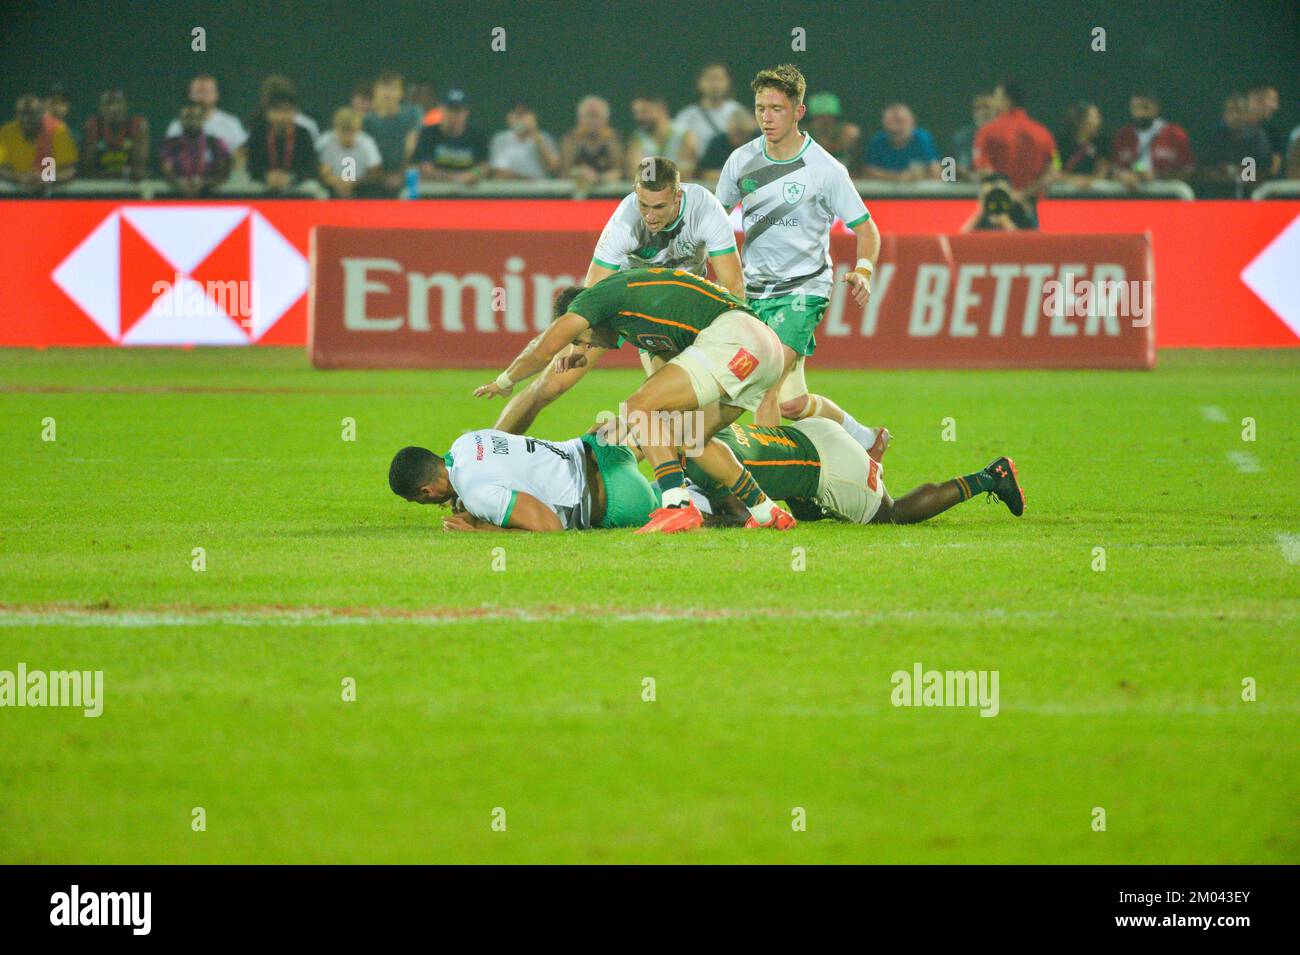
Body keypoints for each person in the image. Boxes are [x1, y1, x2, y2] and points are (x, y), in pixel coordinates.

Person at [472, 268, 796, 533]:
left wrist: (505, 381)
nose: (589, 346)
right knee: (691, 437)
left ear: (584, 315)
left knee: (635, 407)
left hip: (735, 337)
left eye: (583, 340)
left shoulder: (598, 295)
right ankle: (765, 510)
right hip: (765, 350)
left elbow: (544, 346)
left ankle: (677, 505)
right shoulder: (640, 321)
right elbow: (668, 380)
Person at [494, 158, 743, 435]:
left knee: (675, 407)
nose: (649, 216)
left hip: (676, 312)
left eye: (659, 207)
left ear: (677, 195)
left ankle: (670, 472)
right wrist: (578, 348)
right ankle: (490, 455)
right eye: (643, 205)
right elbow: (590, 296)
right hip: (623, 305)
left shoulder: (705, 209)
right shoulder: (625, 221)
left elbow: (732, 286)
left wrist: (726, 336)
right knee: (551, 385)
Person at [714, 64, 887, 456]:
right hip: (753, 293)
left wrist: (863, 271)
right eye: (760, 108)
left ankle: (768, 490)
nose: (766, 117)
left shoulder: (826, 170)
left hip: (803, 291)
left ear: (798, 112)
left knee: (761, 386)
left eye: (776, 108)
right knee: (791, 404)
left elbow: (867, 230)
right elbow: (714, 220)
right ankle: (866, 437)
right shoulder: (741, 162)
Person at [685, 420, 1024, 525]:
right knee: (804, 508)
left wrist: (701, 522)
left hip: (830, 464)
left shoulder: (704, 465)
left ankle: (990, 476)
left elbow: (746, 518)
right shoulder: (708, 430)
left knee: (892, 515)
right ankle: (865, 460)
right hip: (810, 432)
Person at [388, 430, 700, 532]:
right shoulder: (466, 441)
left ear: (425, 491)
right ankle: (712, 450)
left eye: (420, 500)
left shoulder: (474, 492)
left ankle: (730, 500)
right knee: (686, 470)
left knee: (699, 508)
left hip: (614, 498)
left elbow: (549, 526)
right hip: (602, 448)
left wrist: (480, 528)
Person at [973, 80, 1058, 225]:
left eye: (996, 97)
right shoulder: (1044, 134)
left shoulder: (986, 133)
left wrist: (1009, 196)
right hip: (1027, 211)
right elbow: (1053, 173)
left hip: (996, 214)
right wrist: (1022, 195)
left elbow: (984, 172)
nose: (993, 102)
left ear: (1005, 100)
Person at [1108, 89, 1194, 187]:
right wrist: (1124, 177)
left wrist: (1157, 176)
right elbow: (1113, 171)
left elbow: (1188, 172)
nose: (1140, 112)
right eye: (1135, 108)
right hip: (1131, 197)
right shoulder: (1122, 136)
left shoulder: (1174, 134)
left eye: (1146, 107)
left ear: (1156, 108)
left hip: (1166, 197)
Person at [1198, 92, 1273, 198]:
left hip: (1252, 199)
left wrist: (1232, 173)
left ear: (1247, 114)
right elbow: (1204, 172)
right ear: (1224, 114)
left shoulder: (1258, 137)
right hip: (1219, 200)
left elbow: (1264, 173)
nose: (1235, 115)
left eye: (1239, 111)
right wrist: (1235, 174)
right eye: (1230, 111)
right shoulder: (1215, 136)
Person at [0, 93, 78, 191]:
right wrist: (19, 178)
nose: (27, 119)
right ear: (16, 114)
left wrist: (46, 181)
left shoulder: (58, 130)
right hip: (14, 192)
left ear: (41, 113)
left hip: (52, 192)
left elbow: (69, 170)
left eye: (32, 113)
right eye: (23, 114)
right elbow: (1, 169)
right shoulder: (7, 132)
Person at [245, 92, 319, 193]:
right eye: (276, 111)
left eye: (287, 111)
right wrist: (266, 176)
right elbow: (251, 166)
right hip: (264, 183)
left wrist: (291, 178)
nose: (281, 116)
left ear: (295, 113)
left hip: (294, 183)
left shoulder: (303, 134)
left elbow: (311, 167)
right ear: (268, 113)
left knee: (313, 188)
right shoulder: (258, 133)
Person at [413, 89, 489, 184]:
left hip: (469, 193)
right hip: (434, 192)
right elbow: (425, 170)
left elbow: (484, 167)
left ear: (466, 112)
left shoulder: (477, 135)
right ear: (441, 110)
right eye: (450, 109)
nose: (454, 115)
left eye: (458, 110)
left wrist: (472, 174)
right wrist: (455, 178)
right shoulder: (428, 133)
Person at [363, 71, 422, 194]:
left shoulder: (414, 114)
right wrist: (347, 180)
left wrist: (400, 175)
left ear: (401, 93)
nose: (388, 94)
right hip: (374, 180)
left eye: (393, 88)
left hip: (406, 178)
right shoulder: (366, 121)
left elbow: (412, 149)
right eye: (384, 88)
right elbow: (355, 155)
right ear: (375, 91)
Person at [160, 101, 232, 196]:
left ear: (203, 119)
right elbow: (166, 170)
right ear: (180, 119)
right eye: (187, 117)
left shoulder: (216, 143)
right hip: (177, 197)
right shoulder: (170, 144)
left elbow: (224, 170)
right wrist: (179, 184)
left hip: (211, 198)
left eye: (195, 117)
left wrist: (206, 184)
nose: (191, 121)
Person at [163, 75, 248, 155]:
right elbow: (168, 158)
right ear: (190, 95)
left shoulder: (231, 123)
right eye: (198, 92)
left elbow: (241, 153)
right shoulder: (177, 125)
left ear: (216, 95)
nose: (202, 96)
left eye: (207, 92)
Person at [673, 63, 746, 155]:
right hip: (700, 167)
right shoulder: (686, 116)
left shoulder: (738, 112)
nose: (714, 84)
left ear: (728, 82)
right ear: (699, 83)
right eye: (709, 79)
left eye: (719, 79)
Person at [80, 89, 149, 181]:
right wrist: (123, 173)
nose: (114, 109)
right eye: (108, 104)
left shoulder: (137, 126)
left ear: (126, 106)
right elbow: (88, 170)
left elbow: (138, 170)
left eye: (118, 103)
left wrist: (111, 174)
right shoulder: (93, 126)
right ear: (100, 108)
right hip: (98, 187)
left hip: (131, 188)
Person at [861, 102, 941, 181]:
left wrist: (919, 174)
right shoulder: (878, 141)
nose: (896, 127)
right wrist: (896, 177)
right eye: (890, 122)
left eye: (900, 121)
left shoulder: (921, 139)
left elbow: (936, 172)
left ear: (912, 122)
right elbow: (868, 172)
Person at [627, 93, 698, 181]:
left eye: (644, 111)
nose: (639, 117)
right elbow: (636, 174)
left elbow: (686, 172)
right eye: (636, 113)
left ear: (661, 109)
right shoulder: (637, 139)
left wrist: (651, 175)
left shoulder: (685, 135)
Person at [559, 95, 625, 189]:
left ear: (606, 119)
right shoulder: (571, 140)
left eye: (596, 116)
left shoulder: (613, 140)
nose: (592, 121)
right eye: (588, 116)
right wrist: (578, 173)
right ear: (580, 119)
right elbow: (563, 172)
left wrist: (600, 179)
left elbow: (621, 171)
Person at [317, 107, 383, 197]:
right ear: (336, 128)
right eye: (344, 131)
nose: (348, 136)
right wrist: (336, 182)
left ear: (358, 129)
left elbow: (374, 172)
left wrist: (353, 182)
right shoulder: (325, 141)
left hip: (360, 186)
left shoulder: (367, 143)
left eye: (352, 131)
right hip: (332, 186)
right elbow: (322, 171)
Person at [489, 101, 560, 180]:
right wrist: (527, 180)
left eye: (524, 115)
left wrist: (536, 135)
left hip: (541, 189)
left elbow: (555, 168)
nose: (520, 119)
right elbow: (499, 172)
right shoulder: (501, 139)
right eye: (517, 115)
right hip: (510, 189)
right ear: (508, 118)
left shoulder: (543, 137)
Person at [696, 110, 758, 188]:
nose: (738, 137)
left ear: (749, 132)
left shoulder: (760, 140)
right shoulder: (718, 142)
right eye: (734, 133)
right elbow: (705, 172)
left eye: (742, 133)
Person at [1056, 100, 1108, 187]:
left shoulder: (1102, 145)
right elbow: (1053, 172)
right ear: (1080, 120)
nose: (1098, 122)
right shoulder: (1060, 144)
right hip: (1062, 195)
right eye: (1094, 117)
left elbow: (1101, 174)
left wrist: (1086, 181)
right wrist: (1073, 180)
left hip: (1091, 197)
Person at [960, 173, 1034, 232]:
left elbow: (1024, 245)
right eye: (991, 195)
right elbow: (962, 240)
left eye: (1001, 194)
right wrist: (979, 213)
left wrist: (1006, 223)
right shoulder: (982, 216)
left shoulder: (1020, 213)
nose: (996, 199)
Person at [805, 92, 860, 168]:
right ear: (812, 119)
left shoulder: (847, 134)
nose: (825, 122)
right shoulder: (800, 137)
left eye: (829, 117)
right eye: (820, 118)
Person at [952, 90, 997, 179]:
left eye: (986, 107)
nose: (981, 112)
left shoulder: (1007, 136)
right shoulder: (962, 138)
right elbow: (956, 171)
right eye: (977, 108)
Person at [1246, 84, 1283, 178]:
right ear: (1255, 100)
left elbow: (1274, 170)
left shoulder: (1274, 133)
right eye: (1272, 100)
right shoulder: (1224, 132)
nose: (1275, 107)